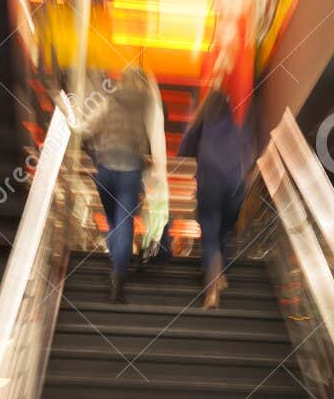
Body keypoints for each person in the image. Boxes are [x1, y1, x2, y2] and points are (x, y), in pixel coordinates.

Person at [81, 65, 164, 302]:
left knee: (113, 221)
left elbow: (87, 127)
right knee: (124, 223)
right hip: (130, 170)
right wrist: (158, 168)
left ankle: (115, 258)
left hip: (106, 168)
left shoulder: (109, 98)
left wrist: (92, 140)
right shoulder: (146, 102)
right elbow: (155, 134)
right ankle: (118, 276)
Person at [178, 88, 255, 310]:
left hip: (210, 184)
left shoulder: (201, 127)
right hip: (235, 188)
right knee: (223, 233)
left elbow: (184, 150)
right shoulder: (238, 130)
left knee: (210, 235)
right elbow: (250, 155)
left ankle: (211, 290)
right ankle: (222, 275)